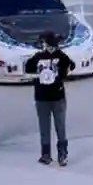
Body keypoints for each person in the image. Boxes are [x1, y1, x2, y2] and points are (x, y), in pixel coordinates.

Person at [26, 32, 75, 166]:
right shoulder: (42, 57)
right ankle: (52, 153)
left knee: (54, 126)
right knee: (50, 126)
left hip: (52, 97)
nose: (51, 48)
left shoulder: (58, 56)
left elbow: (71, 65)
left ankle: (56, 153)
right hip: (46, 97)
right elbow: (28, 68)